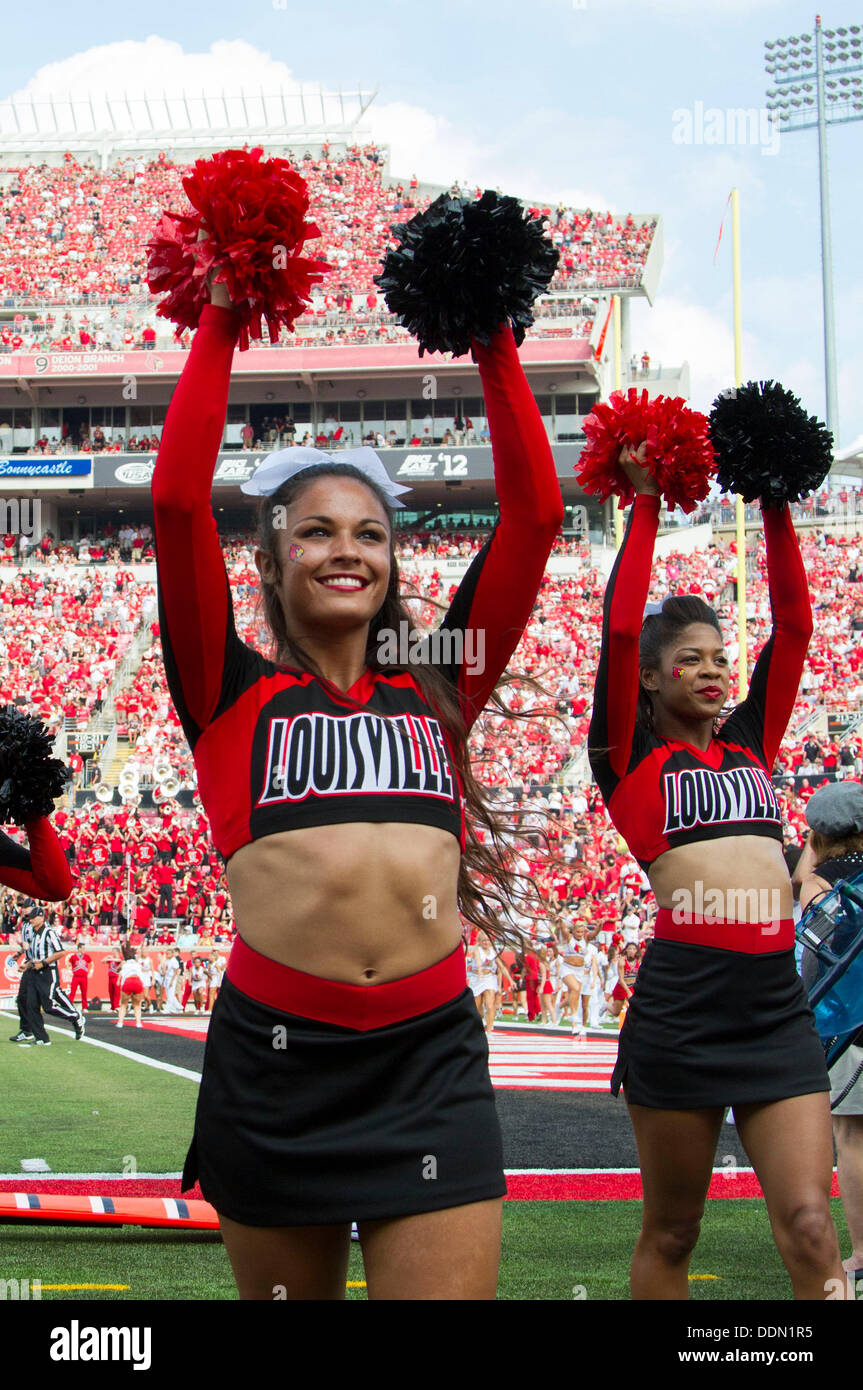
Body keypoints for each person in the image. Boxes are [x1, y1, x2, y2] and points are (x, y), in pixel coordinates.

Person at [151, 249, 564, 1300]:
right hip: (276, 1068)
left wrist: (491, 336)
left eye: (371, 533)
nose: (348, 550)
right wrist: (220, 318)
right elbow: (172, 507)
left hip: (427, 1062)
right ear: (274, 556)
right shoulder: (226, 690)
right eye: (317, 531)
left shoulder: (439, 683)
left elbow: (531, 521)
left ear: (392, 562)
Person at [587, 442, 843, 1300]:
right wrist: (648, 503)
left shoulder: (749, 744)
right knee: (672, 1230)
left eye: (716, 657)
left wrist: (772, 503)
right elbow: (621, 631)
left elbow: (796, 628)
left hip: (774, 1004)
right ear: (651, 679)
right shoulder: (626, 757)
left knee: (810, 1222)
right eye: (688, 659)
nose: (711, 669)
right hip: (683, 1003)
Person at [798, 782, 863, 1286]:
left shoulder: (819, 885)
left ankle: (862, 1253)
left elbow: (812, 968)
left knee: (854, 1137)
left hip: (849, 1026)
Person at [9, 901, 85, 1045]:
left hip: (48, 972)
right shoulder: (36, 934)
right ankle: (41, 1038)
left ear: (40, 918)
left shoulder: (48, 932)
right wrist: (28, 965)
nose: (30, 920)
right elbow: (36, 956)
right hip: (35, 971)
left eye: (32, 917)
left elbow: (61, 952)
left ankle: (74, 1016)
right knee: (31, 1005)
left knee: (49, 1005)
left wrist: (43, 963)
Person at [116, 944, 145, 1028]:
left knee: (123, 1004)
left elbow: (122, 974)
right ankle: (138, 1022)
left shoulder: (125, 964)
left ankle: (120, 1022)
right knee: (137, 1005)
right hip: (137, 981)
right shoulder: (138, 964)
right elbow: (141, 975)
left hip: (128, 981)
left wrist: (121, 985)